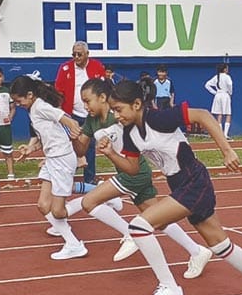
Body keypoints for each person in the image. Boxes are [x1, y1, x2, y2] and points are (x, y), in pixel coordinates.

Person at [99, 79, 242, 295]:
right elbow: (133, 169)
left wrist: (226, 150)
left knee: (139, 227)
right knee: (219, 244)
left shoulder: (158, 118)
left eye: (119, 109)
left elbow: (203, 115)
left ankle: (170, 288)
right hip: (178, 183)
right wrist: (110, 154)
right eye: (114, 110)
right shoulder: (130, 134)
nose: (116, 115)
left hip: (193, 179)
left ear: (137, 104)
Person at [59, 78, 214, 275]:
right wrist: (74, 136)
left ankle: (129, 233)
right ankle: (197, 250)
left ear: (103, 97)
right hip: (127, 171)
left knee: (89, 202)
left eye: (88, 100)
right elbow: (81, 149)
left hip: (135, 173)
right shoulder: (91, 122)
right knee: (160, 218)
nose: (84, 105)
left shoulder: (121, 117)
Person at [10, 74, 91, 259]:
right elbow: (47, 136)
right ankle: (71, 241)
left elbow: (67, 119)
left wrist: (75, 130)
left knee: (58, 211)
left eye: (19, 100)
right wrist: (31, 148)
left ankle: (98, 197)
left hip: (61, 159)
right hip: (52, 159)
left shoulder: (41, 107)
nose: (18, 104)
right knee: (43, 205)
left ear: (30, 95)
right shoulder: (33, 109)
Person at [54, 40, 105, 185]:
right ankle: (68, 175)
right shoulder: (65, 68)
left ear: (87, 54)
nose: (76, 57)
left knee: (89, 146)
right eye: (74, 54)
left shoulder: (97, 66)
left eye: (79, 54)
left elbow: (102, 89)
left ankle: (89, 178)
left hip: (91, 115)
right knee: (69, 145)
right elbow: (58, 91)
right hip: (72, 114)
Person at [204, 63, 233, 139]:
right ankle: (225, 134)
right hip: (225, 95)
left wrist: (215, 92)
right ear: (224, 69)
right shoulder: (227, 77)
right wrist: (230, 92)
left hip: (218, 95)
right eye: (227, 68)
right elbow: (230, 85)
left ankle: (220, 134)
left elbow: (207, 85)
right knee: (228, 114)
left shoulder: (216, 77)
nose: (228, 70)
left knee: (219, 114)